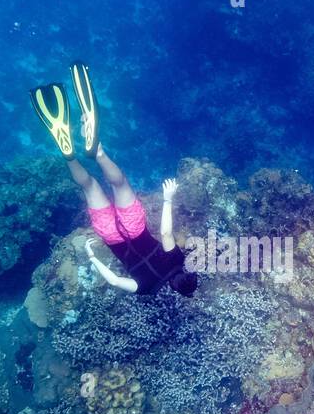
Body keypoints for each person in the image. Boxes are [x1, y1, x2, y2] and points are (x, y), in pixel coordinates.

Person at [29, 65, 199, 297]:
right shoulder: (147, 289)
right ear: (174, 288)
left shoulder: (177, 260)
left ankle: (98, 152)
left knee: (120, 184)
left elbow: (167, 234)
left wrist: (168, 199)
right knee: (89, 185)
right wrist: (91, 255)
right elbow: (115, 281)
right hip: (110, 235)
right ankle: (68, 153)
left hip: (135, 228)